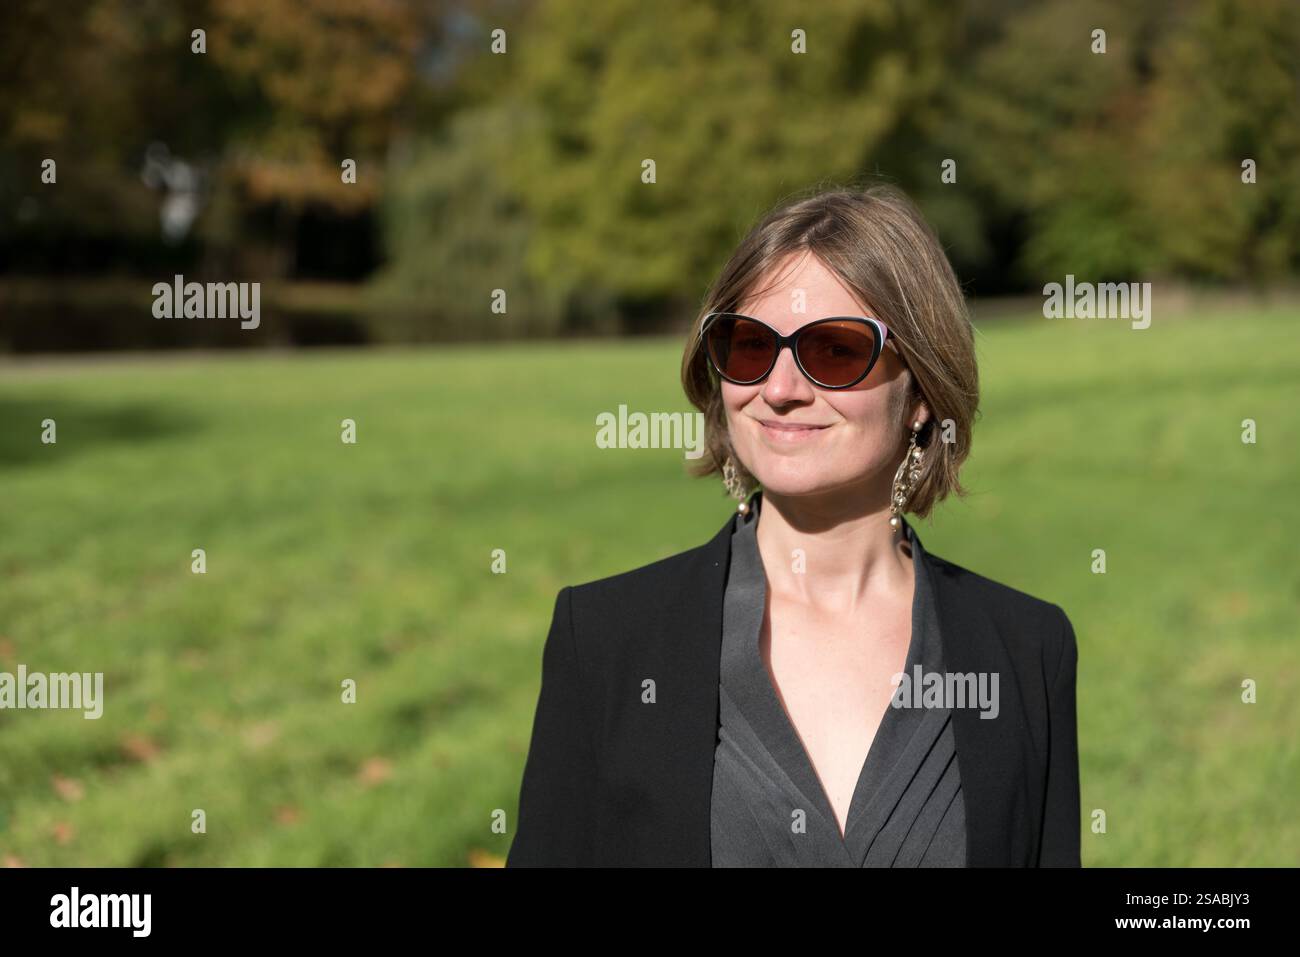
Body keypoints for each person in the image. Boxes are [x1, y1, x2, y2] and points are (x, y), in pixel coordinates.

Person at [507, 184, 1080, 867]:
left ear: (922, 392)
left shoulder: (1026, 651)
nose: (779, 388)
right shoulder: (605, 639)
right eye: (749, 345)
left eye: (833, 351)